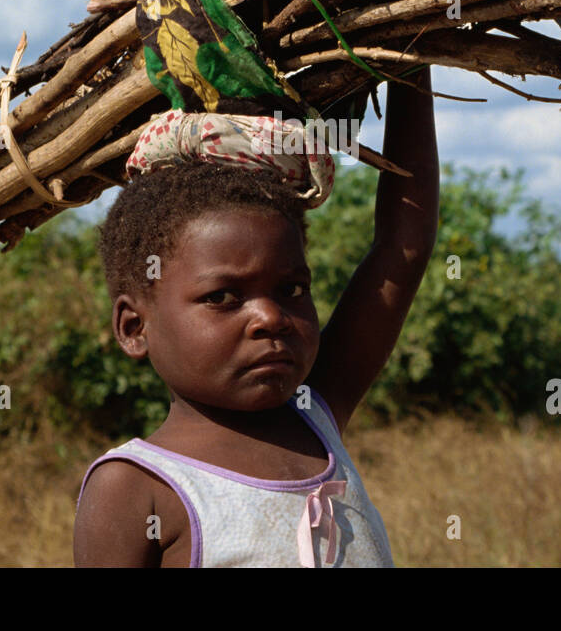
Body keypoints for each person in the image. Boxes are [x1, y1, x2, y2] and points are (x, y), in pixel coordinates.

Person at [73, 65, 439, 567]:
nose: (271, 317)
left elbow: (404, 246)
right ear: (135, 328)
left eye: (291, 289)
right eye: (223, 297)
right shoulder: (138, 486)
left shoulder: (317, 415)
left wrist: (410, 65)